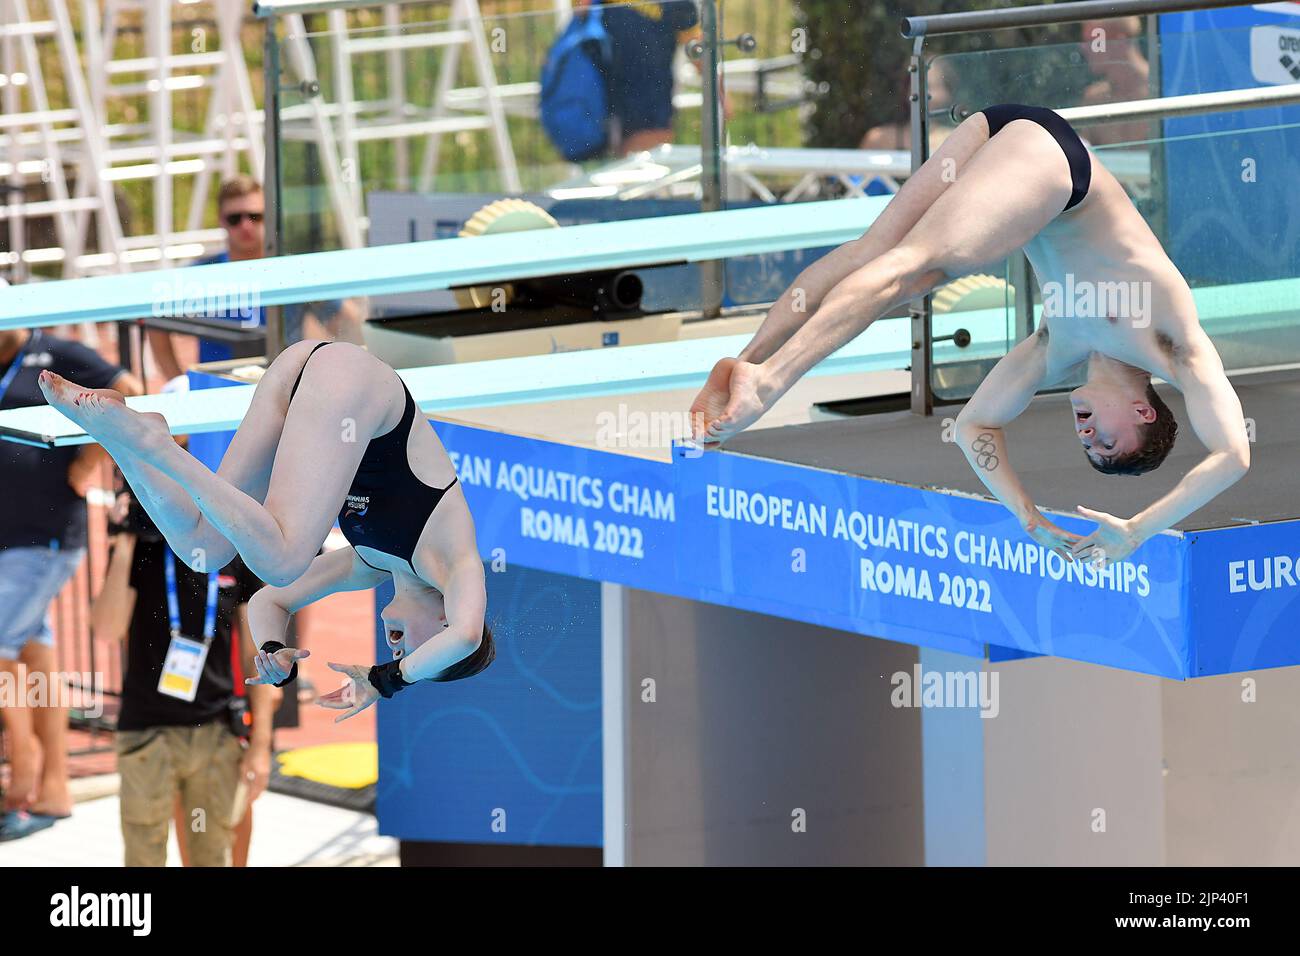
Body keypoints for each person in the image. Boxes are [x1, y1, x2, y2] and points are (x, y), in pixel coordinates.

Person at [690, 103, 1250, 566]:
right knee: (915, 270)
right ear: (1144, 412)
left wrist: (1028, 517)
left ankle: (748, 360)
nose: (1087, 437)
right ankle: (767, 383)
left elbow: (972, 427)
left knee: (875, 253)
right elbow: (1232, 455)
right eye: (1108, 441)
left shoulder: (1057, 348)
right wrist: (1136, 531)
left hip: (1007, 135)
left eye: (1087, 450)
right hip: (1056, 164)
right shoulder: (1172, 344)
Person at [37, 338, 494, 719]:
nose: (396, 652)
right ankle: (157, 446)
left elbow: (268, 600)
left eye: (398, 659)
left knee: (203, 548)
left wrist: (274, 649)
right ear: (444, 619)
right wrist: (387, 681)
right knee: (284, 559)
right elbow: (467, 637)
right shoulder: (454, 560)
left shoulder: (370, 564)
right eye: (408, 655)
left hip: (300, 375)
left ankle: (123, 438)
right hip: (349, 379)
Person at [0, 318, 143, 842]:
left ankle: (23, 776)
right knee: (32, 655)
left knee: (0, 649)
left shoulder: (56, 354)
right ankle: (55, 790)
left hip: (44, 535)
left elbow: (126, 394)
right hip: (6, 536)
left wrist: (89, 461)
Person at [91, 483, 276, 867]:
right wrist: (123, 543)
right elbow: (107, 630)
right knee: (144, 856)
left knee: (211, 856)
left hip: (214, 732)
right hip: (147, 732)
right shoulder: (142, 549)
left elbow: (256, 657)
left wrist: (260, 746)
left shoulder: (230, 551)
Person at [147, 175, 364, 381]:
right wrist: (180, 382)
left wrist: (335, 371)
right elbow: (157, 321)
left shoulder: (291, 271)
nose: (245, 226)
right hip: (219, 390)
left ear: (268, 217)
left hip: (285, 390)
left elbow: (348, 322)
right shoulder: (204, 274)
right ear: (221, 220)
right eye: (235, 218)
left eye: (254, 216)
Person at [1077, 17, 1151, 147]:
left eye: (1094, 41)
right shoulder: (1095, 100)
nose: (1084, 48)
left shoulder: (1160, 91)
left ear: (1119, 42)